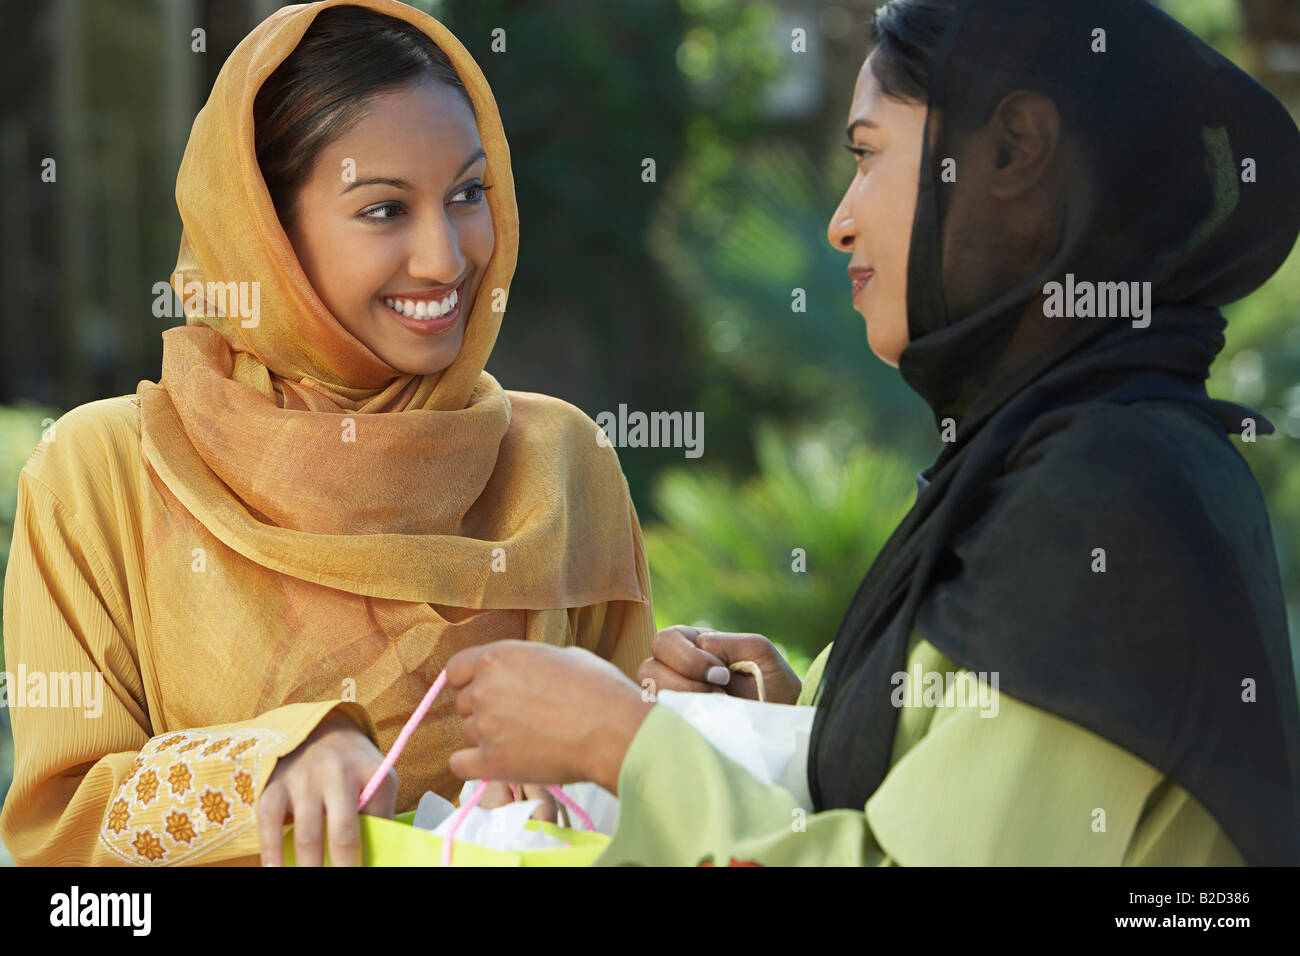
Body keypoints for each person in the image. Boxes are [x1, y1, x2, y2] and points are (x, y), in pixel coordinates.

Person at [444, 0, 1300, 865]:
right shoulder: (1083, 452)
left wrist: (619, 745)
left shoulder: (1106, 500)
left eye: (868, 153)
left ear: (1011, 152)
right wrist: (812, 730)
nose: (840, 220)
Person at [0, 0, 654, 868]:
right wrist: (264, 768)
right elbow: (62, 837)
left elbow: (643, 809)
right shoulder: (105, 472)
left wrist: (696, 720)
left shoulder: (559, 462)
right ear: (265, 233)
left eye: (468, 194)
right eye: (384, 210)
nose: (446, 258)